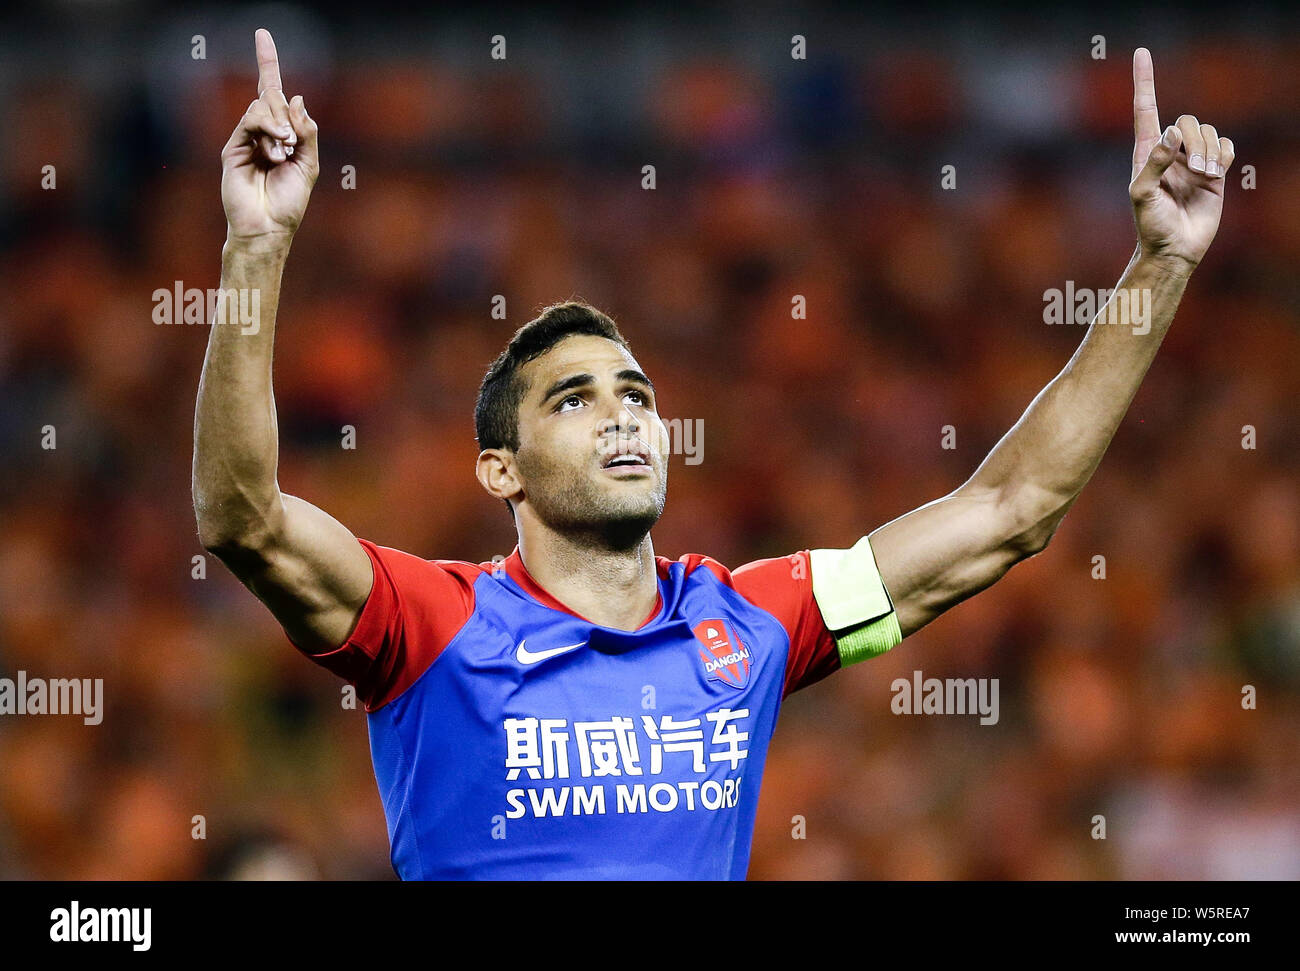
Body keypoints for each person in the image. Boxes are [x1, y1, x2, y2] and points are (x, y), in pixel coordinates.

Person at [192, 29, 1234, 878]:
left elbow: (1014, 505)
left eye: (636, 393)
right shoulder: (432, 624)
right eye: (572, 398)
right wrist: (257, 243)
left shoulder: (744, 622)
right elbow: (243, 517)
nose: (623, 415)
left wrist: (1160, 262)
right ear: (499, 468)